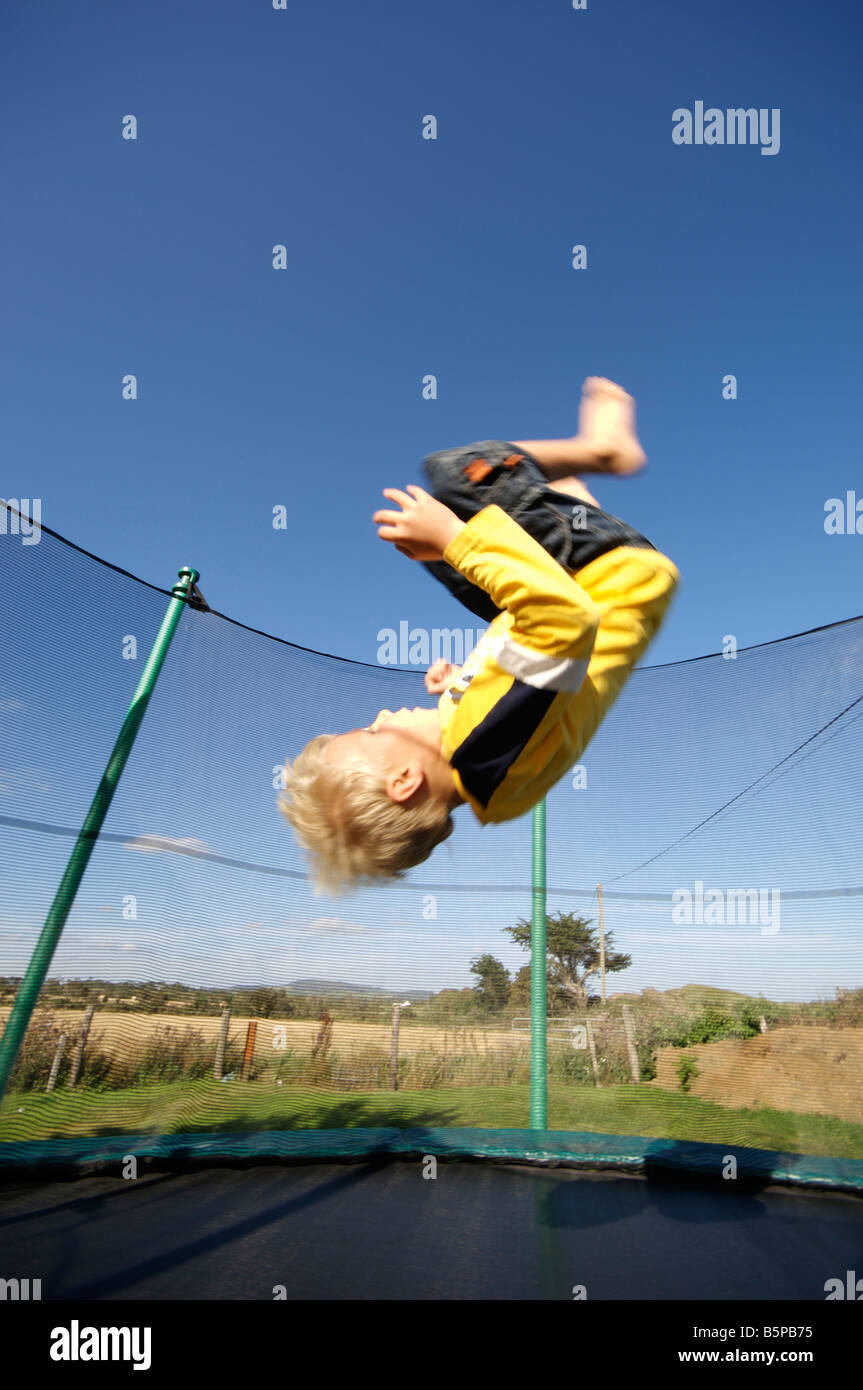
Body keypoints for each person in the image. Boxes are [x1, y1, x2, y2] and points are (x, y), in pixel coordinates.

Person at [281, 378, 678, 893]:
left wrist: (456, 683)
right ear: (405, 780)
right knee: (459, 477)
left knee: (440, 547)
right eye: (373, 733)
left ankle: (565, 498)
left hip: (585, 589)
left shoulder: (490, 780)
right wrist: (452, 539)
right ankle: (602, 451)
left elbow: (533, 695)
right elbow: (564, 624)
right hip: (602, 575)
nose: (380, 715)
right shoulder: (480, 746)